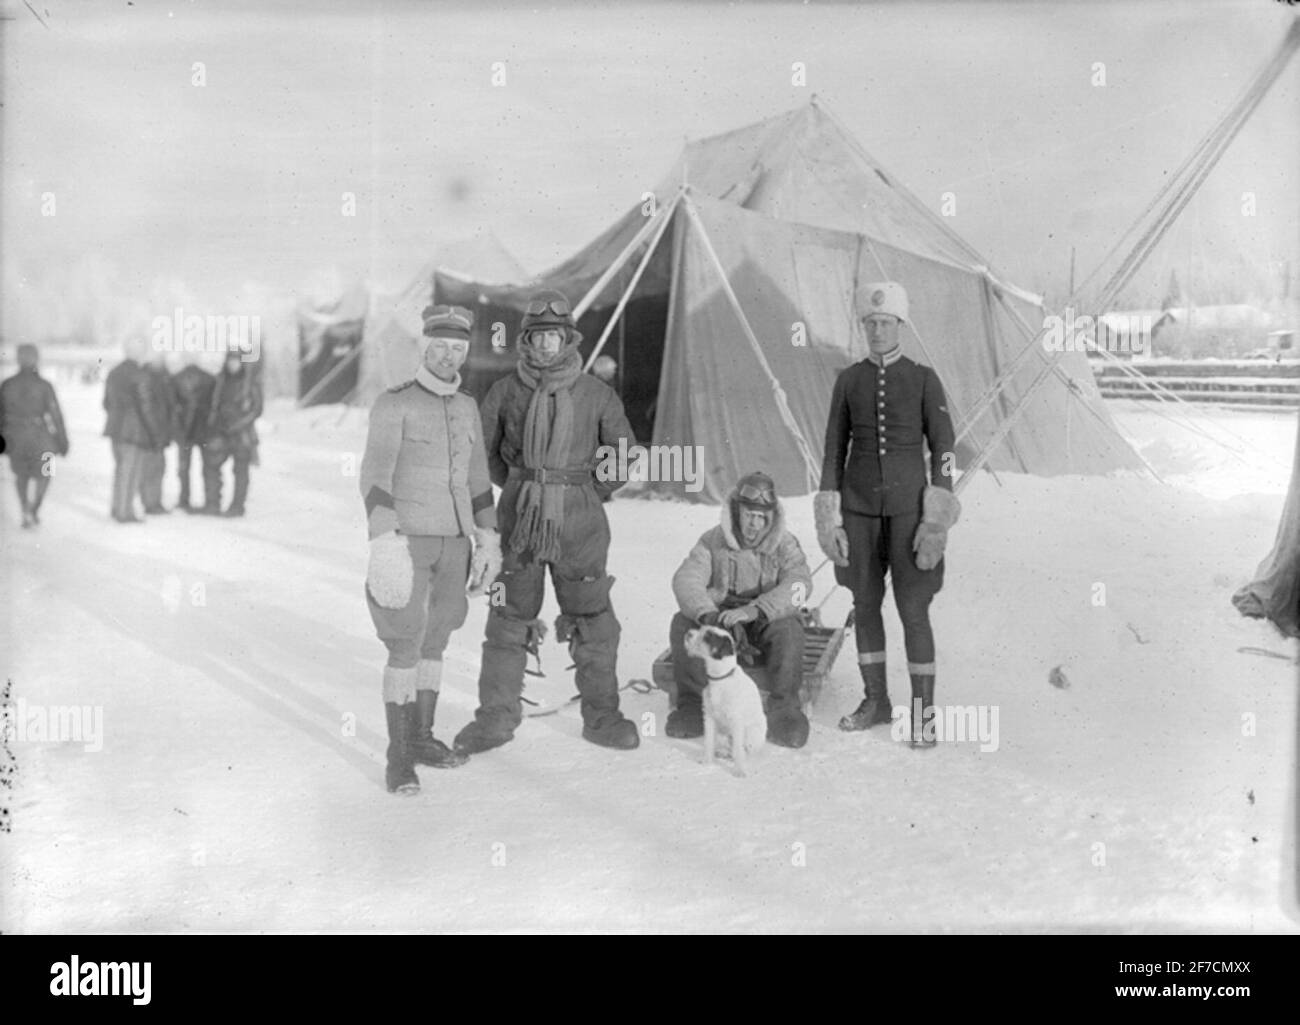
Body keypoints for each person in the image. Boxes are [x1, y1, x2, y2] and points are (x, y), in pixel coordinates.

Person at [453, 289, 640, 755]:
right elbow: (484, 456)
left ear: (568, 339)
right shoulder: (504, 391)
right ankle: (495, 719)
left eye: (554, 337)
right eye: (537, 337)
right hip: (519, 518)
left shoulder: (597, 393)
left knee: (593, 618)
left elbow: (624, 453)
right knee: (507, 616)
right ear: (526, 341)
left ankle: (602, 717)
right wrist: (523, 485)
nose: (545, 346)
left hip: (581, 523)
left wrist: (583, 491)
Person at [360, 305, 502, 794]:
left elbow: (478, 478)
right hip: (407, 540)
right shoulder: (394, 403)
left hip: (456, 542)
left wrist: (489, 535)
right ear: (424, 346)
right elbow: (374, 477)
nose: (448, 355)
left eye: (458, 348)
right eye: (439, 346)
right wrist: (384, 540)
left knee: (437, 638)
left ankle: (422, 737)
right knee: (404, 640)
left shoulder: (466, 406)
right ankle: (398, 756)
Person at [814, 282, 960, 748]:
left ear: (901, 325)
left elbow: (944, 451)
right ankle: (876, 700)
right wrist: (829, 515)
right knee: (864, 605)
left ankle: (923, 714)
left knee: (913, 610)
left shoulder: (922, 379)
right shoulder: (849, 380)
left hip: (910, 514)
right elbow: (833, 450)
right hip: (858, 511)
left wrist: (935, 519)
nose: (877, 331)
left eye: (885, 323)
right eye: (870, 324)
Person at [667, 471, 813, 748]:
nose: (755, 525)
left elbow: (800, 584)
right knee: (682, 624)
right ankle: (691, 705)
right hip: (721, 620)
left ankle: (785, 712)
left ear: (771, 519)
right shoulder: (712, 541)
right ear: (736, 511)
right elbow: (686, 578)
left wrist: (758, 611)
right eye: (749, 515)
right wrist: (708, 615)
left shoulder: (785, 544)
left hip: (763, 619)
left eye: (762, 518)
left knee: (790, 629)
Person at [0, 343, 68, 528]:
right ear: (36, 359)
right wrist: (63, 442)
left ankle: (25, 508)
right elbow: (56, 416)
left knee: (21, 475)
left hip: (14, 438)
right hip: (41, 438)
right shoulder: (44, 385)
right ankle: (34, 508)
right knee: (45, 474)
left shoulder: (7, 385)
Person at [103, 335, 163, 524]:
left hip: (115, 430)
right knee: (130, 473)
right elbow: (146, 409)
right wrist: (155, 434)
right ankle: (124, 512)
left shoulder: (113, 373)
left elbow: (106, 403)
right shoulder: (140, 375)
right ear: (139, 353)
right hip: (135, 432)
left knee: (121, 470)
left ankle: (117, 508)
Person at [200, 352, 262, 517]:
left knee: (240, 470)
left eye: (236, 361)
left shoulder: (250, 383)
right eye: (230, 361)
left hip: (242, 433)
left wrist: (239, 424)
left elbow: (257, 409)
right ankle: (212, 504)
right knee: (211, 466)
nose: (233, 365)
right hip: (220, 431)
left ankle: (237, 507)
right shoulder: (220, 381)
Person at [171, 355, 216, 512]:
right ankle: (210, 502)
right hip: (203, 431)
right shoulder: (210, 378)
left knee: (184, 468)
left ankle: (185, 500)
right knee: (208, 468)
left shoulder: (176, 378)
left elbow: (172, 407)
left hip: (186, 431)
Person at [138, 349, 176, 514]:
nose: (159, 361)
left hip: (161, 431)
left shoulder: (166, 377)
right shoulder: (146, 377)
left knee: (160, 467)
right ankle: (150, 503)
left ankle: (156, 502)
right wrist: (154, 432)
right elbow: (146, 408)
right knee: (150, 468)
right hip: (150, 433)